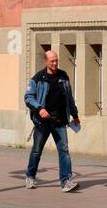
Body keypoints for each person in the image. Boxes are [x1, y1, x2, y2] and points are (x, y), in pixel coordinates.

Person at [23, 48, 81, 192]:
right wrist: (39, 108)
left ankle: (66, 181)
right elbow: (28, 97)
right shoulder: (38, 78)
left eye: (56, 60)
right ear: (46, 61)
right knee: (37, 151)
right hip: (43, 123)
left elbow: (69, 98)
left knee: (64, 151)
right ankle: (30, 176)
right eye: (52, 61)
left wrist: (75, 115)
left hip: (60, 121)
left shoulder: (63, 76)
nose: (55, 63)